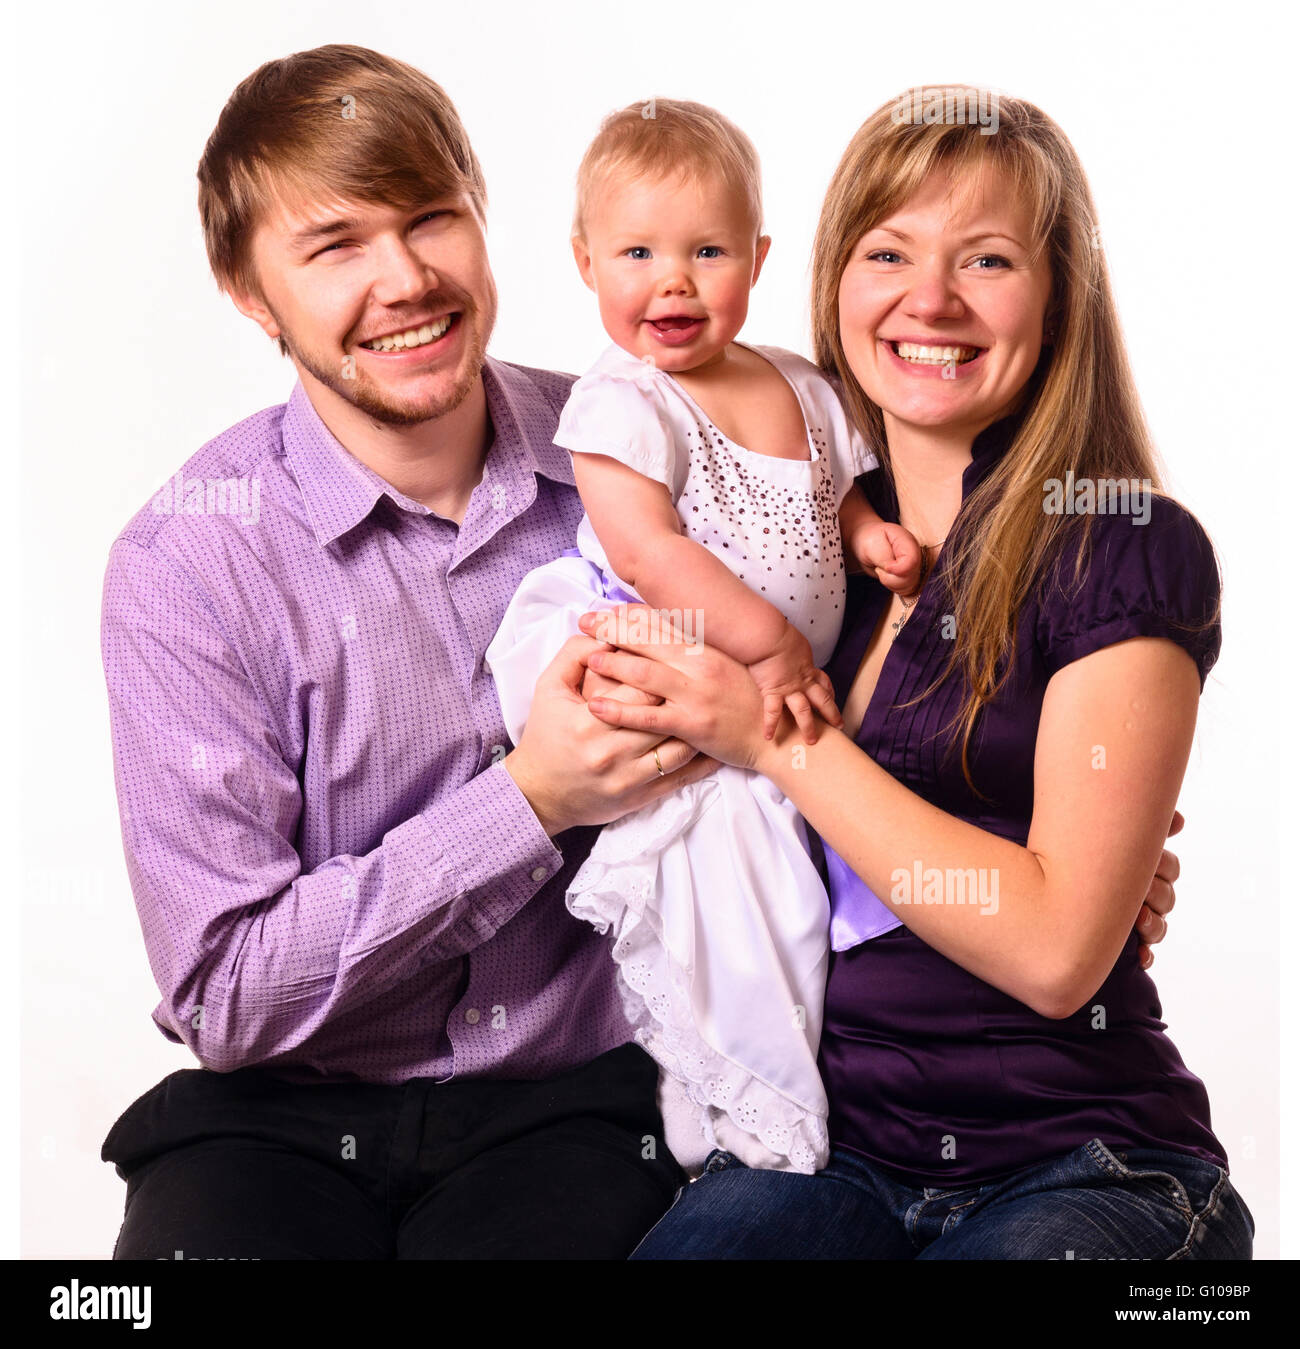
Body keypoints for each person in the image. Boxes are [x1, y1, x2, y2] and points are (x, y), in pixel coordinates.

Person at [574, 89, 1254, 1259]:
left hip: (1085, 1159)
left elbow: (1051, 955)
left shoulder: (1122, 541)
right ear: (834, 280)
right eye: (888, 251)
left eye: (984, 259)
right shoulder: (794, 569)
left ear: (1056, 298)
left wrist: (777, 739)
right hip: (827, 1151)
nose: (927, 299)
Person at [96, 44, 716, 1260]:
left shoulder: (649, 453)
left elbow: (843, 682)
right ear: (247, 290)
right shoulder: (187, 561)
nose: (406, 281)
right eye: (334, 246)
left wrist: (1067, 840)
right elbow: (225, 989)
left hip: (574, 1104)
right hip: (273, 1113)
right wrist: (530, 800)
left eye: (433, 219)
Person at [485, 99, 920, 1175]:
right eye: (637, 251)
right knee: (712, 891)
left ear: (758, 258)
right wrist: (771, 648)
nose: (671, 280)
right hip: (675, 656)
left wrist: (868, 536)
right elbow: (646, 550)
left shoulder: (801, 382)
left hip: (774, 704)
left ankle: (789, 1084)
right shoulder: (623, 402)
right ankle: (720, 1090)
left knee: (788, 899)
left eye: (707, 250)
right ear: (584, 262)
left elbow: (835, 487)